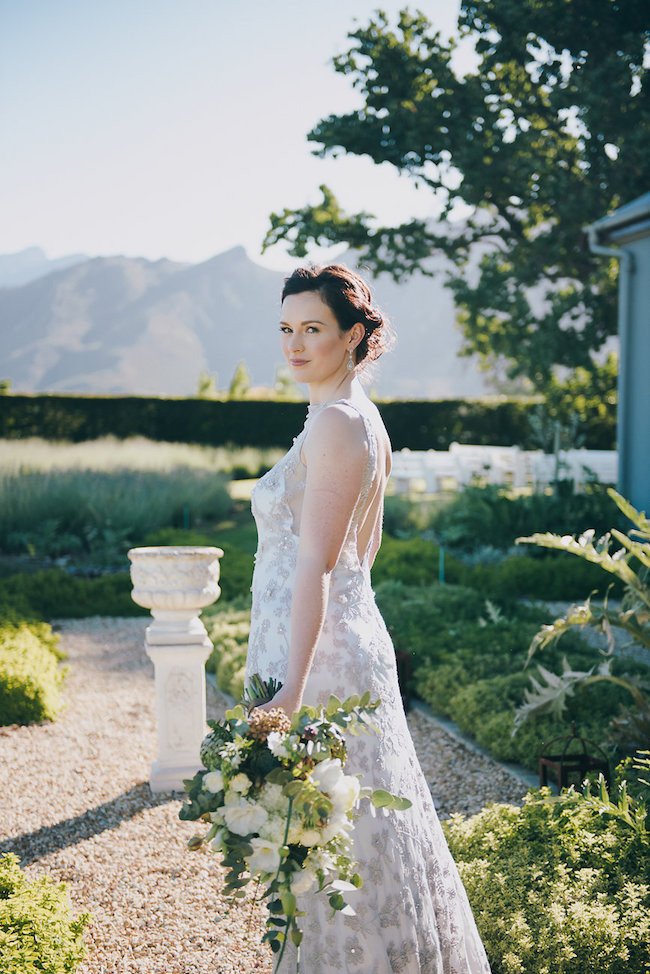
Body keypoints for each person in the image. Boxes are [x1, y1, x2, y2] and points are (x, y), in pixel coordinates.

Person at [246, 264, 491, 973]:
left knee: (337, 842)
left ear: (353, 335)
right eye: (287, 329)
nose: (295, 344)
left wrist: (290, 691)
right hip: (337, 640)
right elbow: (363, 556)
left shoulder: (338, 424)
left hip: (317, 661)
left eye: (313, 329)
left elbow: (320, 565)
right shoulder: (352, 417)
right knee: (353, 835)